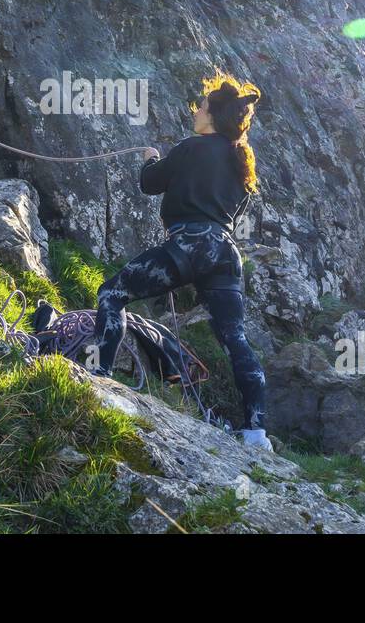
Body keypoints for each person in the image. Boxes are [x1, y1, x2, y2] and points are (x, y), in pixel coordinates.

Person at [91, 72, 271, 450]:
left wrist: (150, 159)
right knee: (234, 337)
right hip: (223, 251)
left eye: (201, 107)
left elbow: (151, 183)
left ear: (213, 115)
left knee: (111, 294)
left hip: (188, 243)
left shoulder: (192, 147)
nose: (196, 111)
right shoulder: (242, 164)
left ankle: (99, 380)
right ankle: (256, 432)